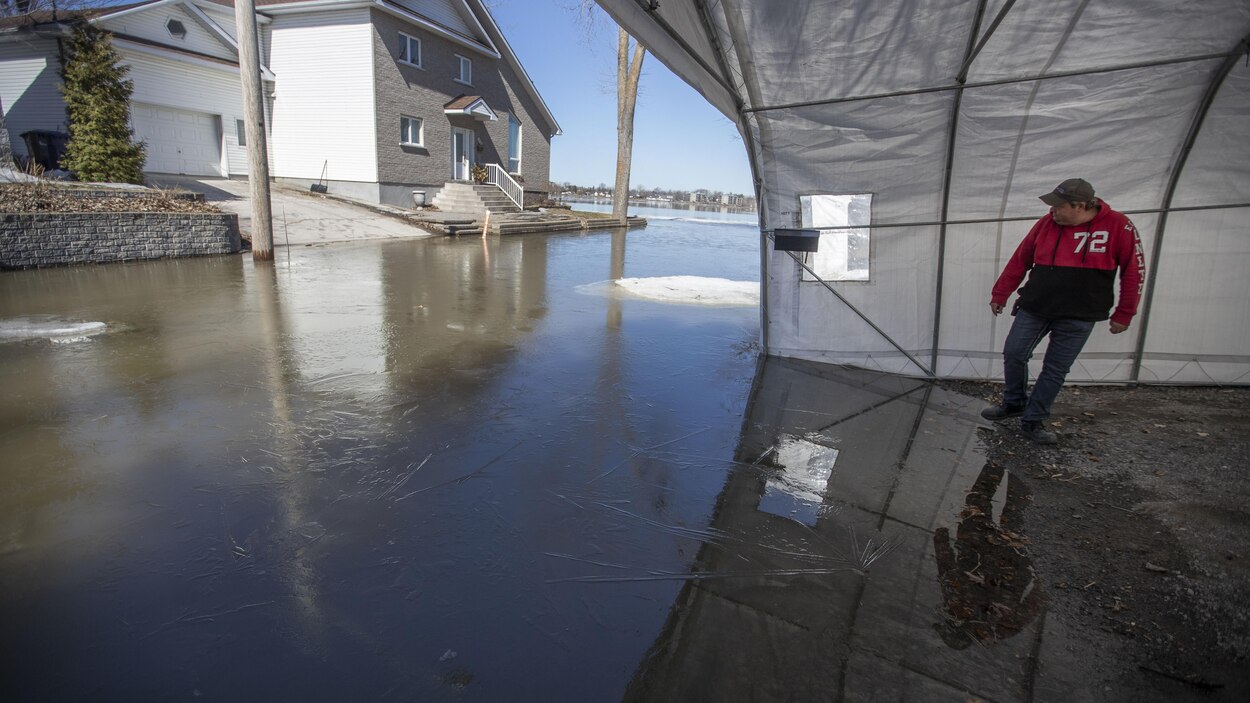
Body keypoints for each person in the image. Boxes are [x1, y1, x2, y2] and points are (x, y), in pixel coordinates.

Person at [982, 178, 1146, 444]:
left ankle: (1033, 419)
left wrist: (1124, 313)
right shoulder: (1046, 223)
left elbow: (1133, 270)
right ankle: (1014, 402)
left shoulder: (1119, 225)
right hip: (1036, 305)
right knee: (1014, 352)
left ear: (1080, 206)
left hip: (1080, 314)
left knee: (1055, 368)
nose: (1053, 211)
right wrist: (1001, 292)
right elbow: (1021, 258)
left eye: (1059, 207)